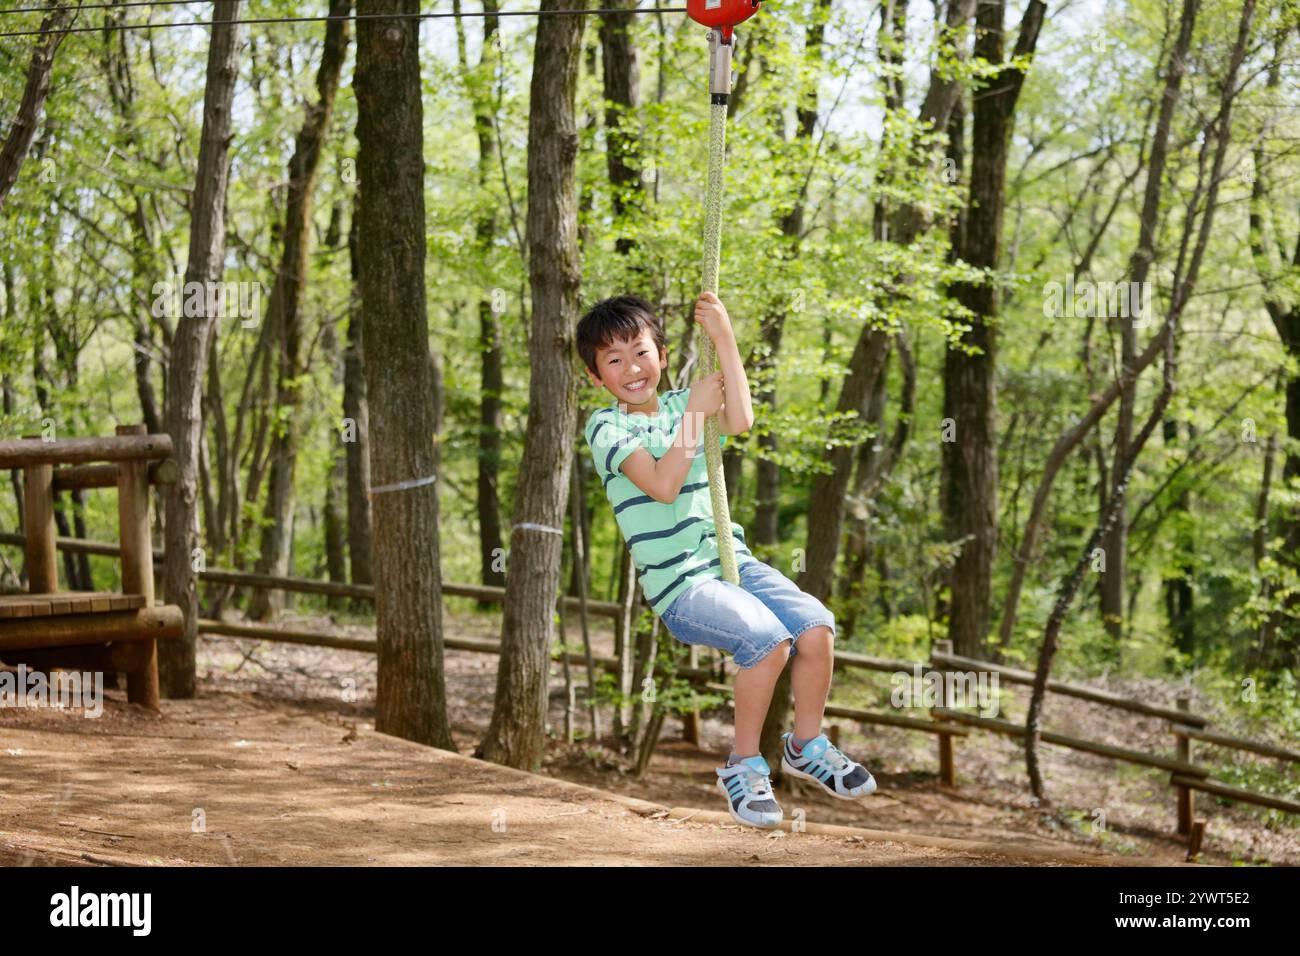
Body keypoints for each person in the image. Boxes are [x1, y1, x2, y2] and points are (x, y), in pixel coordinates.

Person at [577, 291, 877, 829]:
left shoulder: (680, 404)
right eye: (613, 360)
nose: (632, 368)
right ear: (598, 378)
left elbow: (739, 418)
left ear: (662, 355)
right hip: (681, 585)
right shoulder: (607, 428)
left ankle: (805, 745)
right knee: (766, 640)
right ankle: (743, 766)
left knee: (815, 627)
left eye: (640, 351)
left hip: (729, 558)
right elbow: (664, 486)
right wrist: (694, 414)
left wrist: (724, 337)